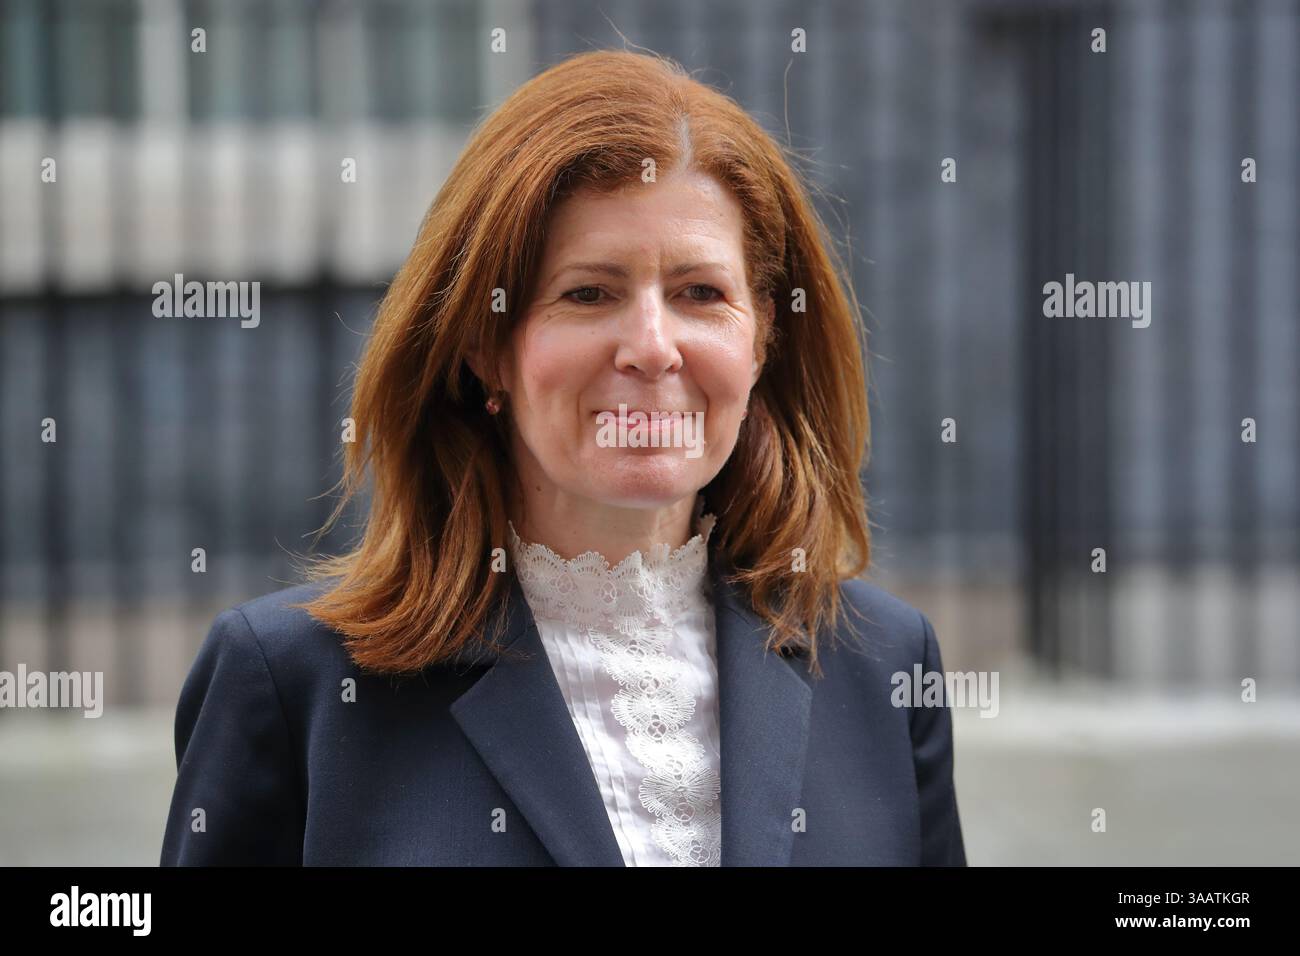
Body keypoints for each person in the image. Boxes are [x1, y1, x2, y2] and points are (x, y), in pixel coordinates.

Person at [160, 48, 966, 867]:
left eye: (700, 293)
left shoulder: (886, 666)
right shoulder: (293, 685)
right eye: (589, 292)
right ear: (484, 346)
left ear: (762, 337)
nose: (653, 349)